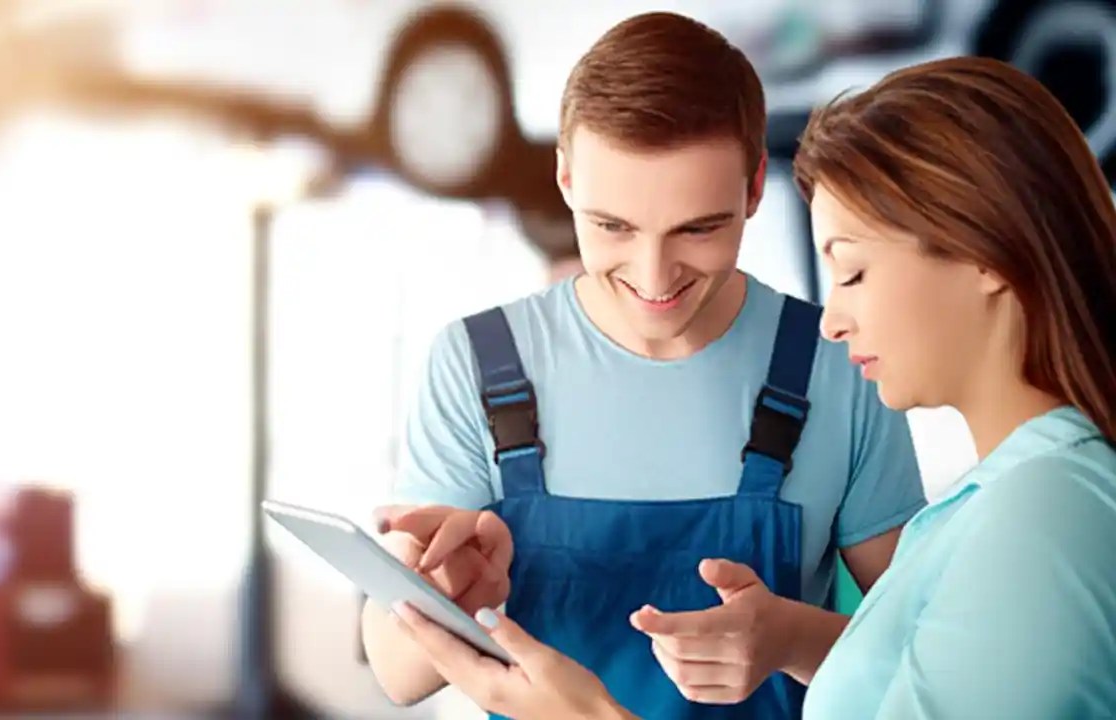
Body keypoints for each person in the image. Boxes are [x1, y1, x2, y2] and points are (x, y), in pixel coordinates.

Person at [392, 55, 1116, 720]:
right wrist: (793, 636)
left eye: (853, 270)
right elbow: (908, 665)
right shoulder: (994, 508)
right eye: (613, 225)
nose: (831, 318)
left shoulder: (1041, 513)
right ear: (567, 183)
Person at [362, 11, 926, 719]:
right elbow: (397, 674)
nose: (655, 276)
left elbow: (927, 665)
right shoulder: (474, 366)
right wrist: (446, 593)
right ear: (566, 177)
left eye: (699, 228)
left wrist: (795, 639)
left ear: (754, 189)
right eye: (612, 227)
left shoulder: (838, 365)